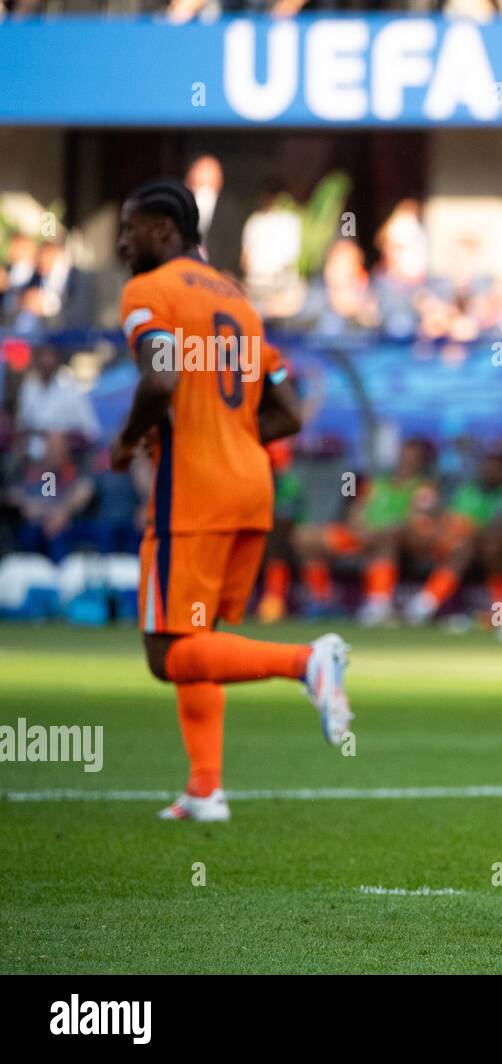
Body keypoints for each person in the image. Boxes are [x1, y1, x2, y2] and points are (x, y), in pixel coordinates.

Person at [113, 178, 353, 823]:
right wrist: (231, 438)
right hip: (250, 486)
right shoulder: (237, 300)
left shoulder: (148, 291)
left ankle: (307, 662)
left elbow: (159, 377)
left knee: (168, 654)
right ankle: (205, 788)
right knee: (201, 640)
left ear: (162, 230)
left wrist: (129, 439)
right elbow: (290, 412)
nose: (119, 240)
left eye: (129, 227)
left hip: (190, 493)